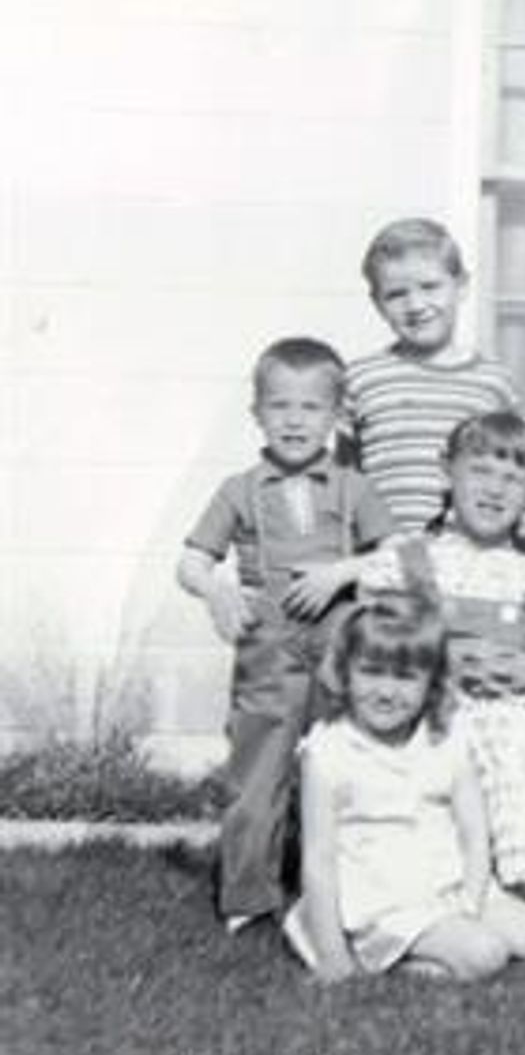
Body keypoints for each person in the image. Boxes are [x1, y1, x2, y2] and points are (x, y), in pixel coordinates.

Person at [333, 412, 525, 902]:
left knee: (519, 760)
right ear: (447, 471)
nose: (494, 489)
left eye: (512, 479)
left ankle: (517, 892)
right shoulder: (408, 561)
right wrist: (435, 657)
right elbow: (367, 651)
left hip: (513, 737)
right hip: (431, 721)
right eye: (480, 471)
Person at [176, 336, 396, 933]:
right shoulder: (238, 489)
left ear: (336, 416)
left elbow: (401, 556)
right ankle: (249, 898)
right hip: (268, 651)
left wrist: (340, 573)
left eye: (311, 407)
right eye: (280, 406)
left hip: (341, 650)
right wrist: (217, 590)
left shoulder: (354, 486)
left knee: (352, 767)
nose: (295, 420)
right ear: (257, 413)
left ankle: (359, 895)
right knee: (257, 775)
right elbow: (190, 563)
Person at [284, 592, 525, 982]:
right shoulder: (328, 750)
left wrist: (472, 902)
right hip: (382, 902)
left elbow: (474, 835)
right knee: (485, 953)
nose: (387, 691)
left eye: (405, 677)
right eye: (371, 672)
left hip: (450, 885)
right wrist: (331, 956)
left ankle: (441, 954)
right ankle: (386, 960)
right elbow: (318, 861)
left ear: (431, 683)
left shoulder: (446, 739)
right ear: (346, 672)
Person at [342, 218, 518, 534]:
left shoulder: (494, 384)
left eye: (430, 287)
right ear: (377, 303)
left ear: (461, 286)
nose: (415, 305)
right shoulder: (360, 379)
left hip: (467, 549)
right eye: (396, 294)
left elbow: (512, 472)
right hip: (382, 549)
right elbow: (343, 478)